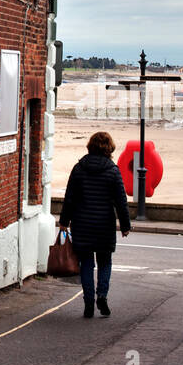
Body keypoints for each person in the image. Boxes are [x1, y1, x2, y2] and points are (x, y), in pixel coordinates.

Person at [59, 130, 131, 318]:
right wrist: (125, 225)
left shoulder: (78, 168)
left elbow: (70, 198)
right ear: (109, 148)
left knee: (86, 264)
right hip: (104, 225)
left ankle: (89, 303)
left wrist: (64, 221)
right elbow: (120, 201)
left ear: (90, 146)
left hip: (82, 224)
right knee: (105, 262)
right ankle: (102, 295)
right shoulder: (113, 171)